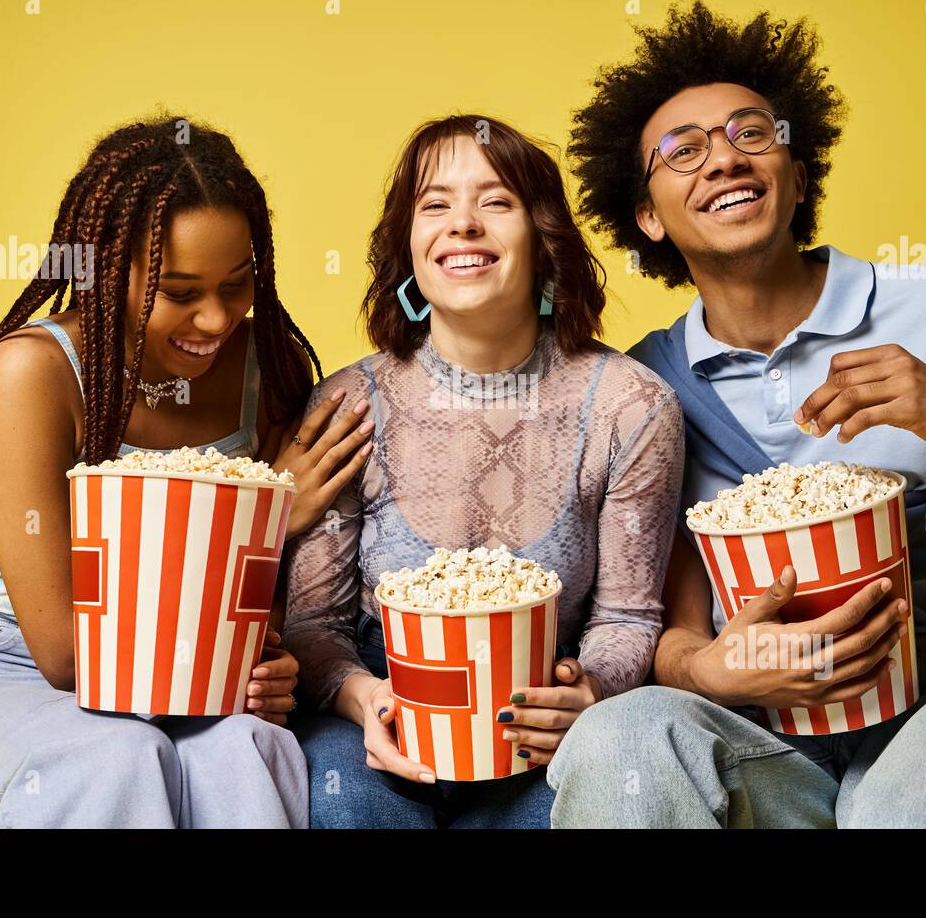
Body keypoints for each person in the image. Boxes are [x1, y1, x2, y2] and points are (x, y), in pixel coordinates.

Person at [547, 0, 926, 828]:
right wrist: (715, 672)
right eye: (684, 152)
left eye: (752, 133)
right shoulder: (641, 386)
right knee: (617, 740)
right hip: (764, 741)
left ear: (798, 168)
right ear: (646, 215)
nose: (723, 160)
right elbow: (668, 631)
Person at [0, 115, 372, 828]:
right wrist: (266, 512)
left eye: (237, 283)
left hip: (198, 686)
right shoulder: (30, 372)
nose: (215, 319)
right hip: (21, 682)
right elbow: (65, 652)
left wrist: (266, 669)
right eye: (179, 292)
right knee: (117, 757)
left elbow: (263, 616)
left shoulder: (262, 366)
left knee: (250, 747)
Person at [281, 114, 685, 828]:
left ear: (543, 235)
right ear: (409, 245)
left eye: (495, 202)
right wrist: (365, 699)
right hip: (376, 707)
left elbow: (626, 616)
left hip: (539, 713)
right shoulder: (348, 403)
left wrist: (586, 692)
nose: (462, 224)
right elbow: (313, 625)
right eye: (434, 205)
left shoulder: (631, 405)